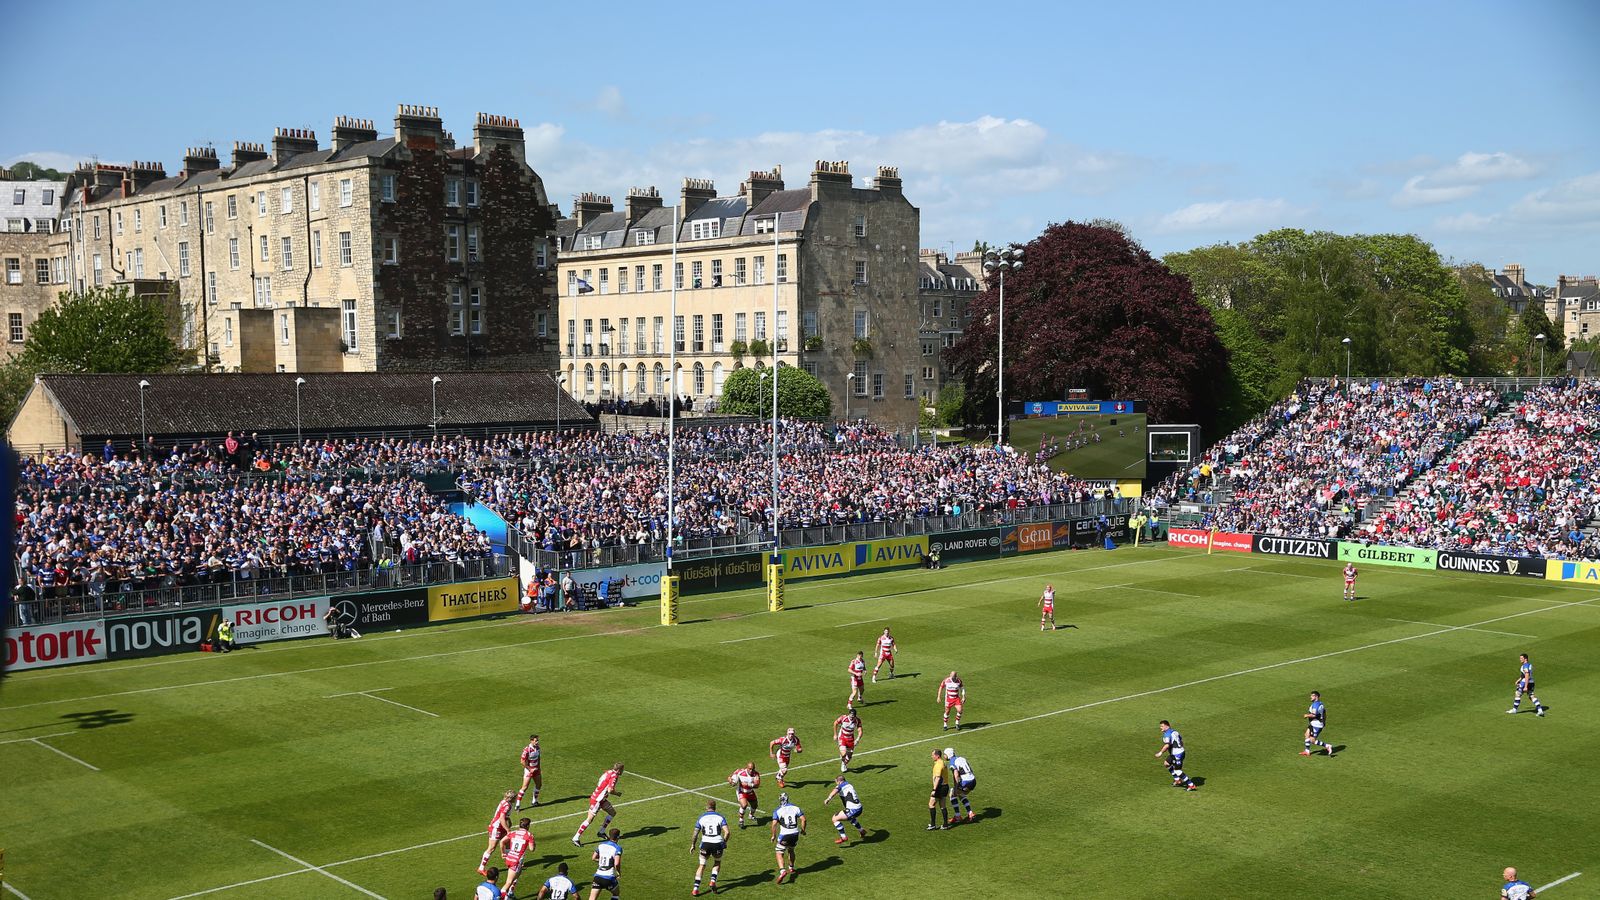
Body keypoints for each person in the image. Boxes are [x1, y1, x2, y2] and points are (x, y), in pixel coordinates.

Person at [572, 762, 624, 846]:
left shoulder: (608, 772)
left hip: (600, 798)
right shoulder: (614, 776)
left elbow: (600, 781)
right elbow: (611, 790)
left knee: (612, 813)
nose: (623, 771)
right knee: (589, 819)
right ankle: (576, 838)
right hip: (598, 800)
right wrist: (617, 793)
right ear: (618, 770)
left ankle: (601, 832)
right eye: (622, 769)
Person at [690, 799, 729, 896]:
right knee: (717, 862)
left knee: (702, 865)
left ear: (706, 807)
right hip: (717, 843)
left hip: (705, 844)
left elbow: (695, 834)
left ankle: (695, 889)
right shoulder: (720, 817)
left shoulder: (701, 818)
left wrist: (693, 845)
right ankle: (712, 881)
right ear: (715, 807)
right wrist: (724, 842)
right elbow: (727, 832)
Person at [770, 792, 805, 884]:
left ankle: (782, 871)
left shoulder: (777, 811)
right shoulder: (795, 808)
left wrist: (773, 835)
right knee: (791, 850)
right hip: (795, 833)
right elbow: (803, 819)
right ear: (788, 799)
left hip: (785, 835)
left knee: (779, 852)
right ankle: (791, 868)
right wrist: (803, 830)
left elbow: (774, 824)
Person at [823, 774, 867, 844]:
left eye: (836, 782)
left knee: (834, 818)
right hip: (859, 808)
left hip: (853, 810)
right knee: (850, 817)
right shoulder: (849, 785)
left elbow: (835, 791)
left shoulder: (841, 785)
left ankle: (843, 837)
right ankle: (861, 830)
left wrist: (828, 799)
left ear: (839, 781)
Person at [480, 790, 515, 876]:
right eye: (515, 797)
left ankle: (510, 864)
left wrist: (508, 820)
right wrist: (507, 829)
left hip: (500, 827)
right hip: (496, 828)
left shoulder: (504, 802)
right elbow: (502, 818)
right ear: (512, 798)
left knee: (507, 842)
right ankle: (481, 868)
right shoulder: (507, 806)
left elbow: (503, 815)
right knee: (491, 848)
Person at [498, 817, 536, 898]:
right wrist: (533, 842)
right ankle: (501, 896)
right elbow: (532, 849)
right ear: (528, 826)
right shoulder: (529, 835)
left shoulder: (513, 832)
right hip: (516, 861)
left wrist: (503, 853)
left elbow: (502, 842)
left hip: (509, 858)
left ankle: (511, 892)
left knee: (518, 873)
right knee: (508, 882)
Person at [1156, 720, 1198, 791]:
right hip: (1177, 753)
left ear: (1167, 726)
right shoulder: (1175, 731)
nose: (1161, 728)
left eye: (1162, 726)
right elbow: (1181, 741)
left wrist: (1160, 753)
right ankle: (1177, 780)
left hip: (1177, 754)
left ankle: (1191, 785)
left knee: (1177, 771)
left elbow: (1167, 745)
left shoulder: (1167, 734)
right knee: (1166, 764)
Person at [589, 828, 622, 900]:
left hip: (597, 877)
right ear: (618, 837)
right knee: (616, 893)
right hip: (609, 878)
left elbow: (593, 858)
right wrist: (618, 872)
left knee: (592, 898)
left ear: (609, 836)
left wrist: (600, 860)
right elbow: (617, 864)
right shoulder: (617, 848)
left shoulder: (601, 845)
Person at [728, 761, 761, 829]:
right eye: (750, 768)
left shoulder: (756, 774)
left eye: (753, 769)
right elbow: (731, 778)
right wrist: (731, 781)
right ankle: (741, 820)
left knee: (755, 805)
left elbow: (757, 785)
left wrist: (748, 784)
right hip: (742, 792)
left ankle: (751, 815)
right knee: (744, 805)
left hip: (750, 792)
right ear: (747, 768)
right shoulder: (740, 772)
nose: (751, 770)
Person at [946, 748, 976, 822]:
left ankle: (958, 816)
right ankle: (970, 813)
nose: (944, 756)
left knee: (952, 793)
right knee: (961, 794)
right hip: (973, 780)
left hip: (966, 781)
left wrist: (956, 787)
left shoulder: (952, 762)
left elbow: (955, 775)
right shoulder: (961, 758)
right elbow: (970, 769)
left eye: (945, 754)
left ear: (948, 755)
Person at [1301, 691, 1334, 756]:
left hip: (1317, 725)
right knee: (1306, 734)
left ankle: (1327, 746)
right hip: (1314, 723)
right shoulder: (1319, 703)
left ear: (1316, 697)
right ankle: (1307, 751)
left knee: (1312, 740)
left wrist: (1306, 715)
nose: (1310, 697)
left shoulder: (1316, 705)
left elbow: (1314, 715)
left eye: (1312, 696)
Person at [927, 748, 952, 830]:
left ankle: (933, 825)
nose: (931, 756)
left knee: (931, 804)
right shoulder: (943, 762)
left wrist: (934, 790)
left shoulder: (938, 765)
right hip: (945, 786)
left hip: (939, 787)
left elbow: (937, 778)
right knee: (942, 806)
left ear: (937, 756)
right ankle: (945, 825)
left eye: (933, 755)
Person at [517, 734, 543, 809]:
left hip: (536, 770)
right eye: (535, 740)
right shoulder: (527, 750)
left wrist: (538, 768)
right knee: (524, 787)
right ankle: (518, 804)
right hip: (529, 771)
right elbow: (522, 761)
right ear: (531, 741)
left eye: (538, 740)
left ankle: (534, 801)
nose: (537, 742)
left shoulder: (538, 748)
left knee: (539, 785)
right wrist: (530, 769)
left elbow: (538, 758)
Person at [833, 707, 862, 772]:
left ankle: (844, 764)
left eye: (853, 716)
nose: (851, 718)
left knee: (849, 756)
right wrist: (835, 734)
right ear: (849, 714)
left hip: (850, 739)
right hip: (842, 737)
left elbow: (860, 731)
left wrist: (857, 740)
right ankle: (843, 758)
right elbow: (835, 723)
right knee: (844, 754)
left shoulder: (857, 720)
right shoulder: (843, 718)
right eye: (851, 716)